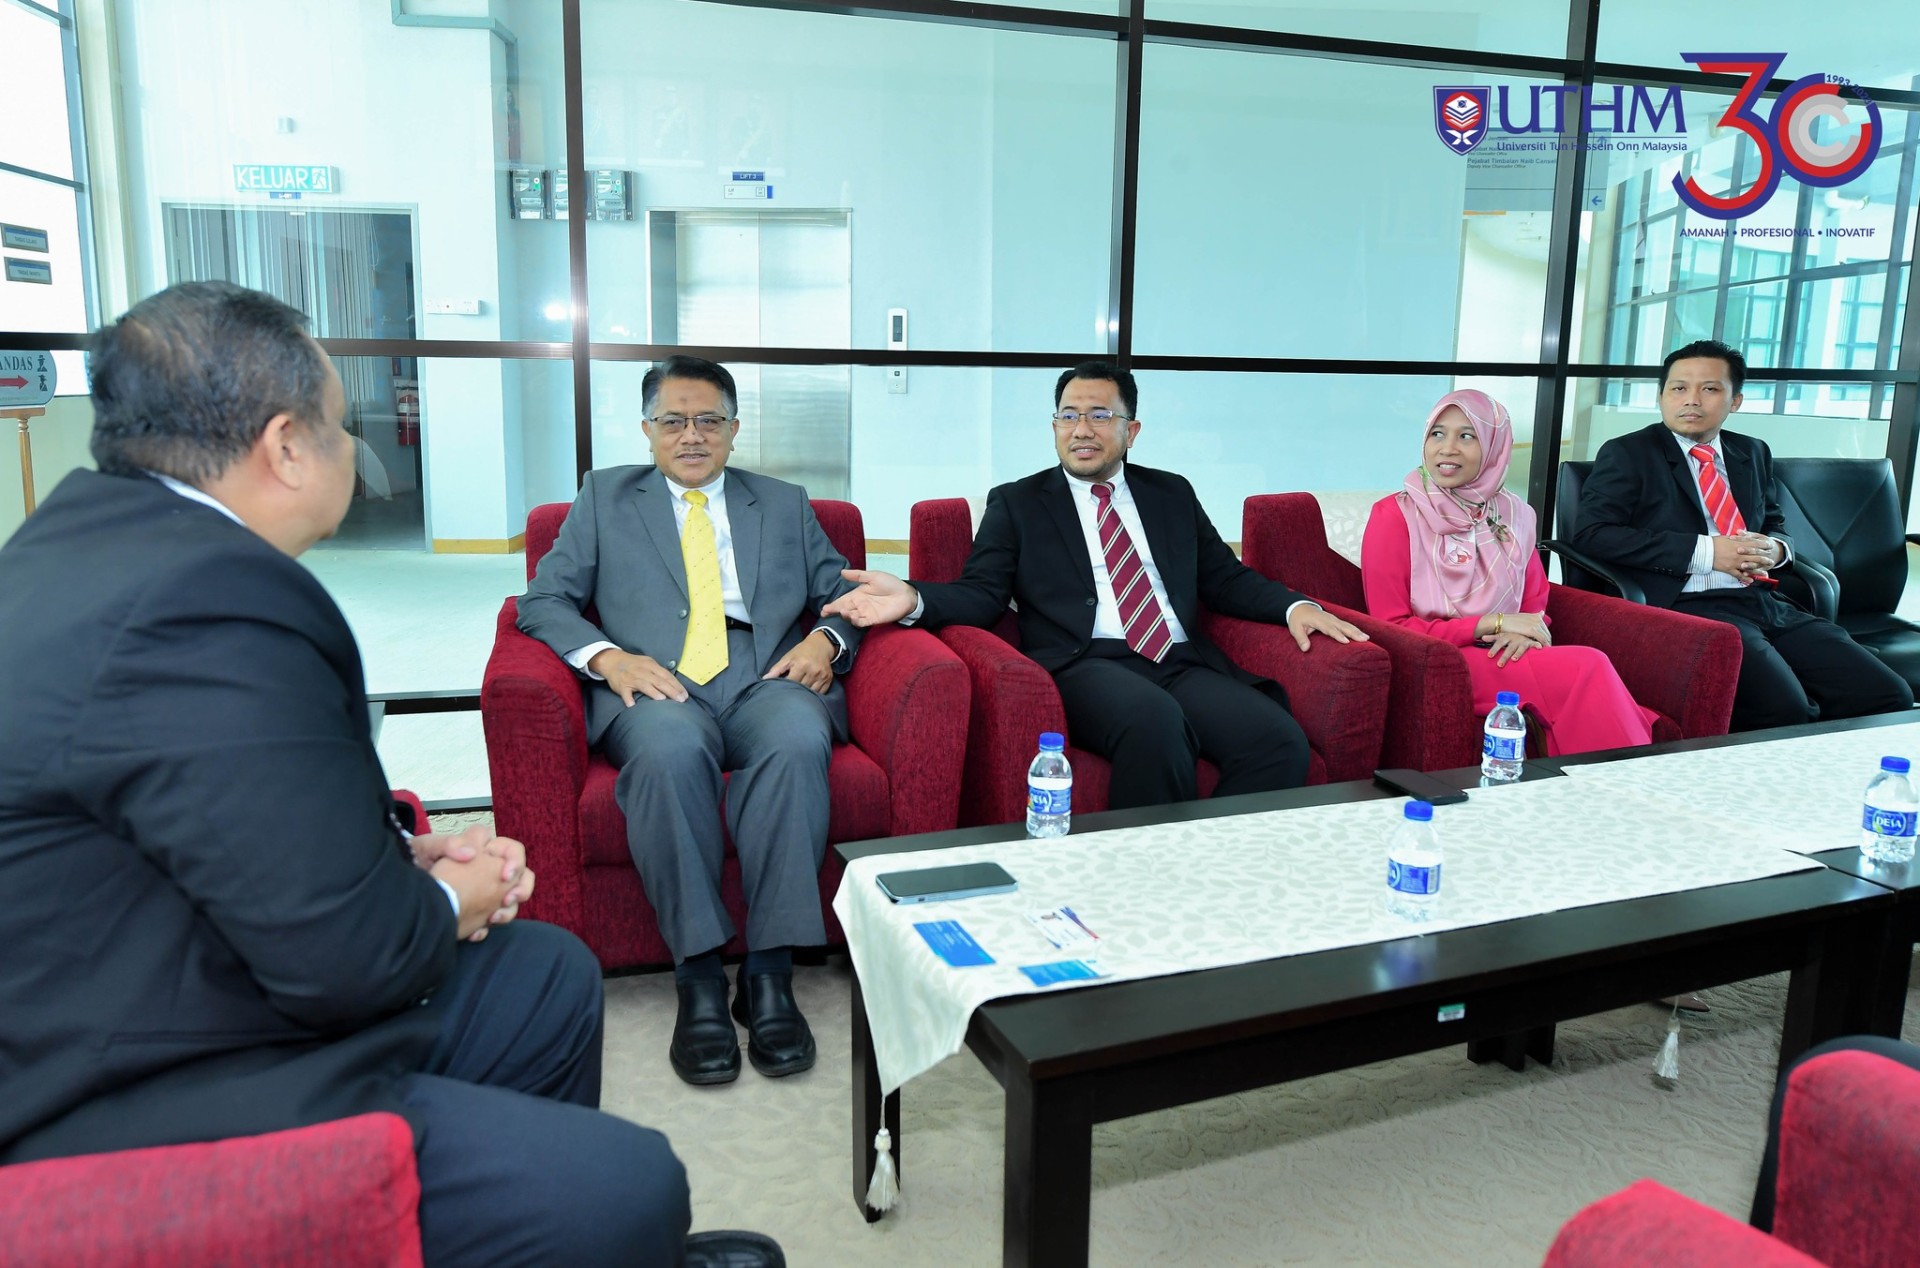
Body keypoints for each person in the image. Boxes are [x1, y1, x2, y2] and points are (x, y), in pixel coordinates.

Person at [0, 284, 780, 1267]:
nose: (352, 452)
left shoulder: (84, 543)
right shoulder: (207, 599)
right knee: (628, 1183)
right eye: (339, 426)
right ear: (285, 447)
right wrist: (449, 892)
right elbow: (348, 959)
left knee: (548, 972)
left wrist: (397, 851)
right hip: (126, 1068)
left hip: (141, 956)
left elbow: (206, 808)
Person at [517, 354, 860, 1087]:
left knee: (800, 741)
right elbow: (541, 602)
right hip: (654, 677)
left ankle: (768, 977)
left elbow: (847, 597)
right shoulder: (604, 499)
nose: (691, 435)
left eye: (709, 419)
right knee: (669, 756)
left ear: (736, 429)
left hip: (762, 673)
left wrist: (825, 641)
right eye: (673, 420)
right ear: (647, 430)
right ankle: (699, 978)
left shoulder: (786, 501)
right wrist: (606, 659)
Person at [822, 360, 1366, 810]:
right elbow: (983, 593)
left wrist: (1293, 606)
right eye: (1068, 415)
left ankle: (1210, 869)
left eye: (1100, 415)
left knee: (1278, 742)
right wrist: (915, 598)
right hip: (1085, 664)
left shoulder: (1170, 493)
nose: (1081, 429)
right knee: (1155, 725)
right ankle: (1140, 884)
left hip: (1176, 660)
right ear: (1055, 426)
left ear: (1131, 430)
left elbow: (1223, 579)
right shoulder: (1018, 503)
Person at [1572, 339, 1912, 731]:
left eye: (1710, 389)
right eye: (1678, 388)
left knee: (1887, 694)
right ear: (1662, 396)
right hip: (1687, 605)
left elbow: (1774, 522)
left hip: (1763, 599)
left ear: (1735, 401)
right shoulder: (1629, 453)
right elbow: (1593, 535)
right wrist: (1707, 552)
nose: (1692, 400)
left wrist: (1776, 549)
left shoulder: (1750, 452)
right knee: (1786, 709)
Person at [1361, 388, 1654, 755]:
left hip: (1504, 651)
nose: (1447, 448)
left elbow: (1534, 601)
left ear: (1495, 446)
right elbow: (1389, 626)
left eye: (1467, 436)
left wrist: (1527, 633)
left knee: (1588, 673)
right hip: (1438, 659)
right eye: (1438, 433)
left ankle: (1603, 782)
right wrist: (1493, 624)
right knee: (1589, 666)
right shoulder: (1394, 516)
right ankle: (1625, 779)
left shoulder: (1514, 514)